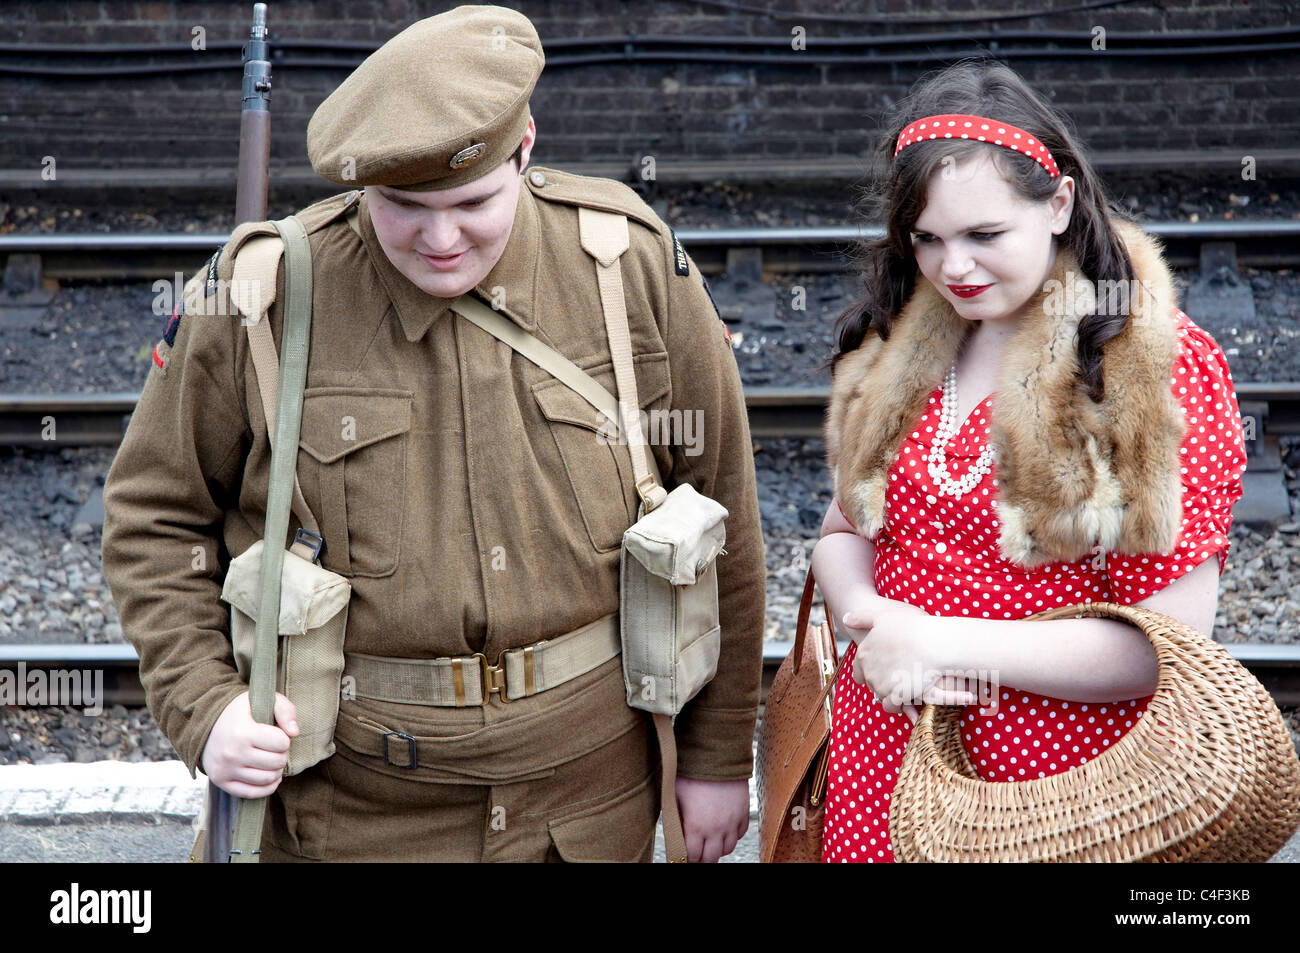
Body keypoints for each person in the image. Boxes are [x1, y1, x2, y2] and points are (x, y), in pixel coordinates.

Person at [101, 5, 764, 863]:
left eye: (475, 202)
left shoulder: (629, 266)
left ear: (527, 146)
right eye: (404, 206)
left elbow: (727, 516)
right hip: (345, 820)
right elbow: (153, 518)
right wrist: (207, 705)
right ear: (360, 184)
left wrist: (716, 758)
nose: (441, 239)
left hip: (587, 811)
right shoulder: (261, 292)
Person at [811, 60, 1247, 863]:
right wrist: (866, 615)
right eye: (928, 240)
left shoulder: (1150, 369)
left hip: (1050, 793)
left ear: (1058, 203)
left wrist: (940, 642)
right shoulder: (899, 339)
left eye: (984, 235)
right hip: (883, 767)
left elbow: (1167, 643)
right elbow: (842, 530)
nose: (954, 269)